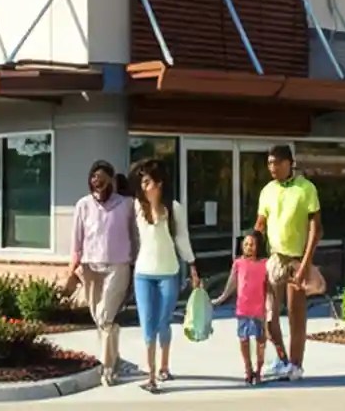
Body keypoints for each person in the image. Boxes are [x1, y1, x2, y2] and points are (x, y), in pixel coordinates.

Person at [130, 158, 200, 394]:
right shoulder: (137, 207)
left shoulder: (174, 208)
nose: (143, 186)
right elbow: (130, 179)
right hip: (143, 275)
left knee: (163, 322)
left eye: (148, 182)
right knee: (147, 325)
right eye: (142, 182)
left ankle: (164, 365)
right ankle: (151, 376)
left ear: (159, 184)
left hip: (169, 274)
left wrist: (192, 266)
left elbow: (182, 239)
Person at [255, 144, 321, 382]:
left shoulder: (306, 189)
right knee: (269, 316)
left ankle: (296, 365)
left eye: (277, 163)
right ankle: (282, 359)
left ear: (288, 163)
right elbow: (260, 224)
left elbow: (316, 229)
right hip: (275, 258)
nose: (272, 167)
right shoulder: (267, 191)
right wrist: (250, 249)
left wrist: (305, 264)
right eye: (269, 163)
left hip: (296, 259)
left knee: (296, 315)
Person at [67, 160, 136, 386]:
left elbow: (136, 236)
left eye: (102, 178)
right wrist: (72, 270)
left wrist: (138, 262)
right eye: (94, 177)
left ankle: (107, 370)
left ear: (112, 181)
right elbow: (76, 241)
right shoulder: (83, 205)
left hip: (118, 266)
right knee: (100, 319)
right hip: (90, 267)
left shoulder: (126, 205)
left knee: (105, 317)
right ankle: (115, 360)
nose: (98, 182)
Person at [213, 230, 269, 385]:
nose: (249, 247)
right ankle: (248, 369)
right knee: (244, 340)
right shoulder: (238, 263)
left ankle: (258, 371)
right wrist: (220, 299)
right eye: (246, 244)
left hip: (260, 309)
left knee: (260, 341)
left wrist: (271, 307)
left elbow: (270, 288)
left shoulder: (265, 264)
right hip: (243, 308)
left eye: (252, 244)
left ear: (258, 246)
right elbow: (231, 284)